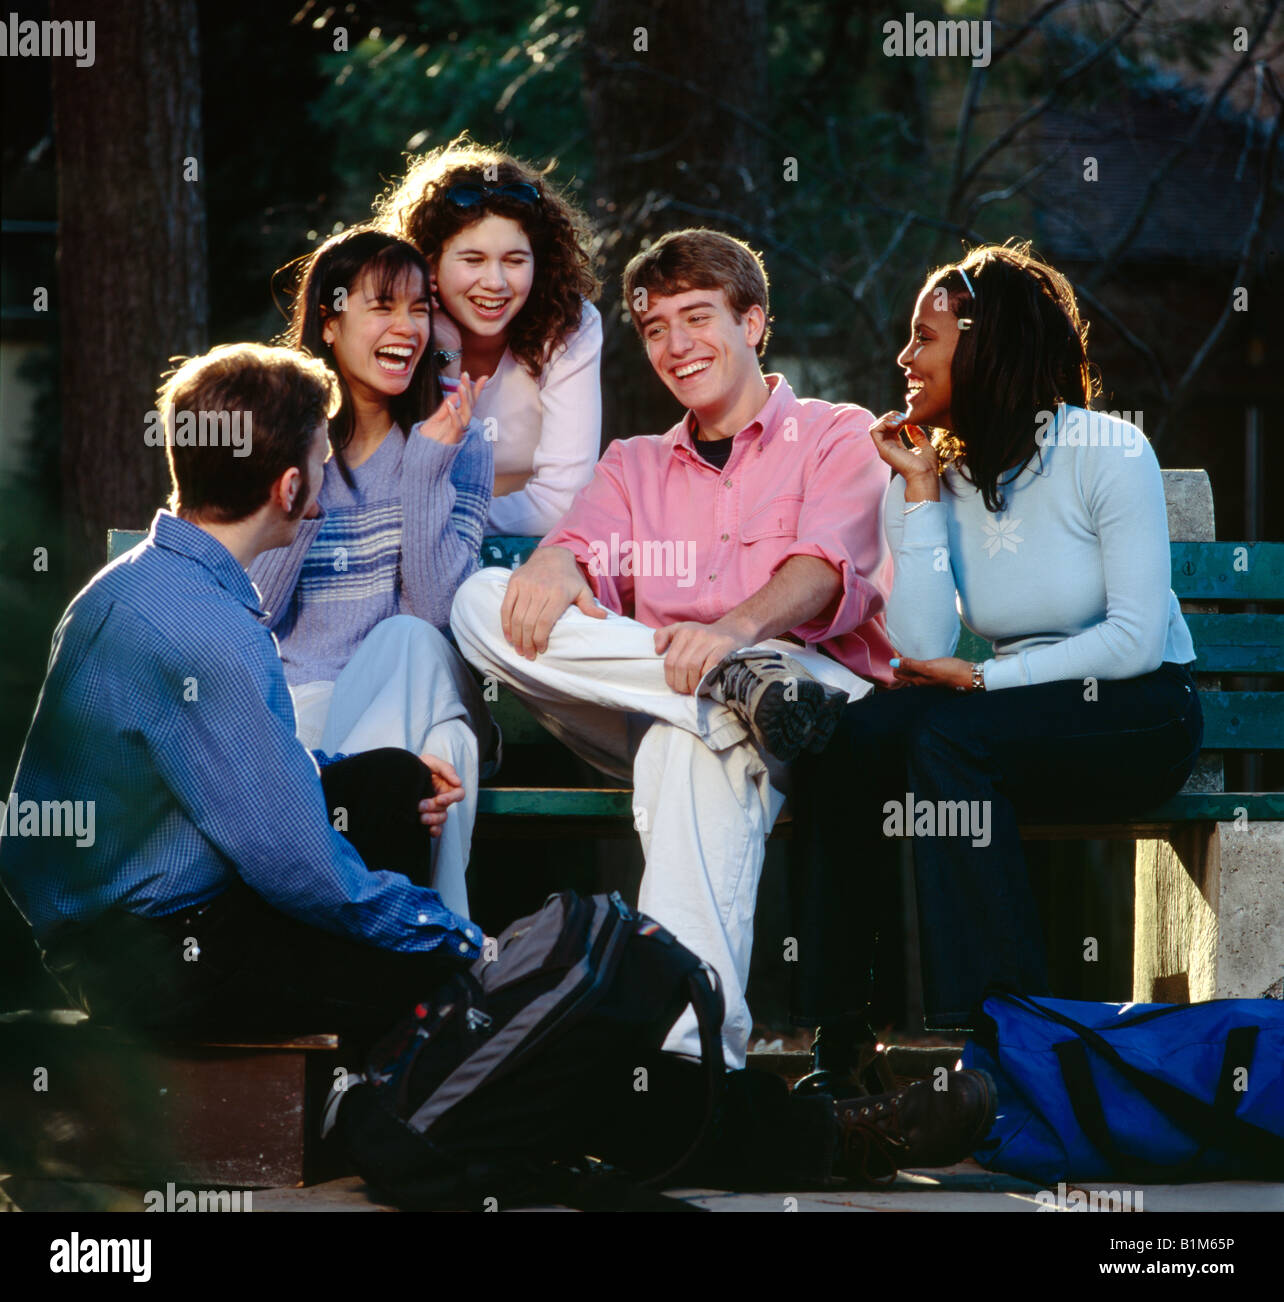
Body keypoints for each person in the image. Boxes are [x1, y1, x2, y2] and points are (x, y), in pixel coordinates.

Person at [450, 228, 896, 1071]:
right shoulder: (635, 465)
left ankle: (690, 1060)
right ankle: (729, 690)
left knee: (688, 748)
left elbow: (828, 575)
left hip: (811, 706)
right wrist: (553, 557)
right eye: (655, 328)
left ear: (755, 322)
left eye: (697, 318)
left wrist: (734, 634)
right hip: (669, 691)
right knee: (482, 601)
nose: (675, 345)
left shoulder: (838, 434)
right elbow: (573, 555)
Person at [791, 240, 1203, 1091]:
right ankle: (840, 1047)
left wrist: (987, 680)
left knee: (949, 740)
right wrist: (915, 495)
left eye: (926, 338)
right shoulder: (940, 470)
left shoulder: (1106, 452)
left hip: (1136, 715)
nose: (904, 358)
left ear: (987, 346)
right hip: (1008, 729)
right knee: (848, 739)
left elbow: (1130, 638)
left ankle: (1014, 1057)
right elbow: (921, 644)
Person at [0, 344, 483, 1043]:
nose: (326, 479)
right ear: (288, 488)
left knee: (391, 782)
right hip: (158, 960)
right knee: (424, 981)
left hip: (121, 919)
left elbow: (220, 765)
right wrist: (446, 933)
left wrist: (338, 778)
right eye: (322, 460)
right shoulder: (212, 633)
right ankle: (360, 1106)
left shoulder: (133, 584)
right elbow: (296, 866)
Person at [251, 228, 497, 916]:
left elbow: (440, 614)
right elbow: (256, 611)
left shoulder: (456, 440)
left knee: (409, 641)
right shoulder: (282, 444)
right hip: (310, 709)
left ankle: (339, 912)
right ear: (330, 324)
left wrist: (424, 471)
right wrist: (311, 469)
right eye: (383, 305)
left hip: (423, 674)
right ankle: (440, 953)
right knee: (444, 753)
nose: (407, 327)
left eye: (420, 308)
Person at [374, 135, 602, 535]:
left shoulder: (569, 324)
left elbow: (563, 501)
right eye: (473, 259)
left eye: (514, 260)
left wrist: (451, 521)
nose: (495, 282)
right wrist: (446, 356)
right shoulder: (390, 331)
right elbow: (395, 484)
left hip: (529, 545)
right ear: (428, 264)